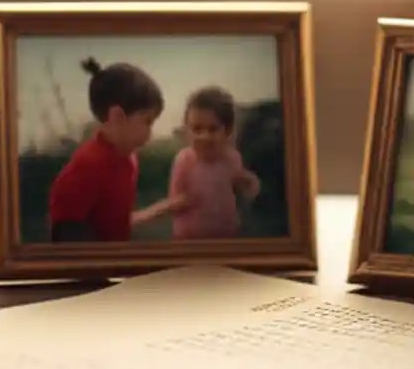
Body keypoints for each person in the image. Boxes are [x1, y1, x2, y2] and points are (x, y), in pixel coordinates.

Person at [47, 57, 179, 242]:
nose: (150, 131)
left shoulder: (128, 159)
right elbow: (65, 231)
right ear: (117, 116)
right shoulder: (87, 165)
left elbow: (116, 222)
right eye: (147, 121)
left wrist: (164, 207)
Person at [168, 86, 261, 239]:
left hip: (227, 235)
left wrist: (250, 183)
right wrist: (181, 202)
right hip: (189, 238)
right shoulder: (183, 161)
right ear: (187, 131)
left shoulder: (232, 158)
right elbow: (175, 200)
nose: (205, 136)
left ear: (227, 131)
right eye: (197, 129)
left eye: (213, 129)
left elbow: (239, 179)